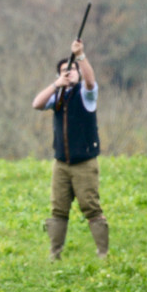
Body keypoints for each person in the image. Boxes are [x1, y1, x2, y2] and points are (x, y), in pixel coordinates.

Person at [31, 39, 107, 259]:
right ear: (59, 76)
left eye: (72, 70)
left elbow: (91, 81)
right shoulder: (58, 96)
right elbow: (36, 103)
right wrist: (57, 85)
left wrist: (81, 56)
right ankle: (55, 254)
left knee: (91, 207)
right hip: (61, 163)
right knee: (58, 209)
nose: (70, 73)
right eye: (65, 71)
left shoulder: (86, 94)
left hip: (85, 163)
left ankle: (102, 254)